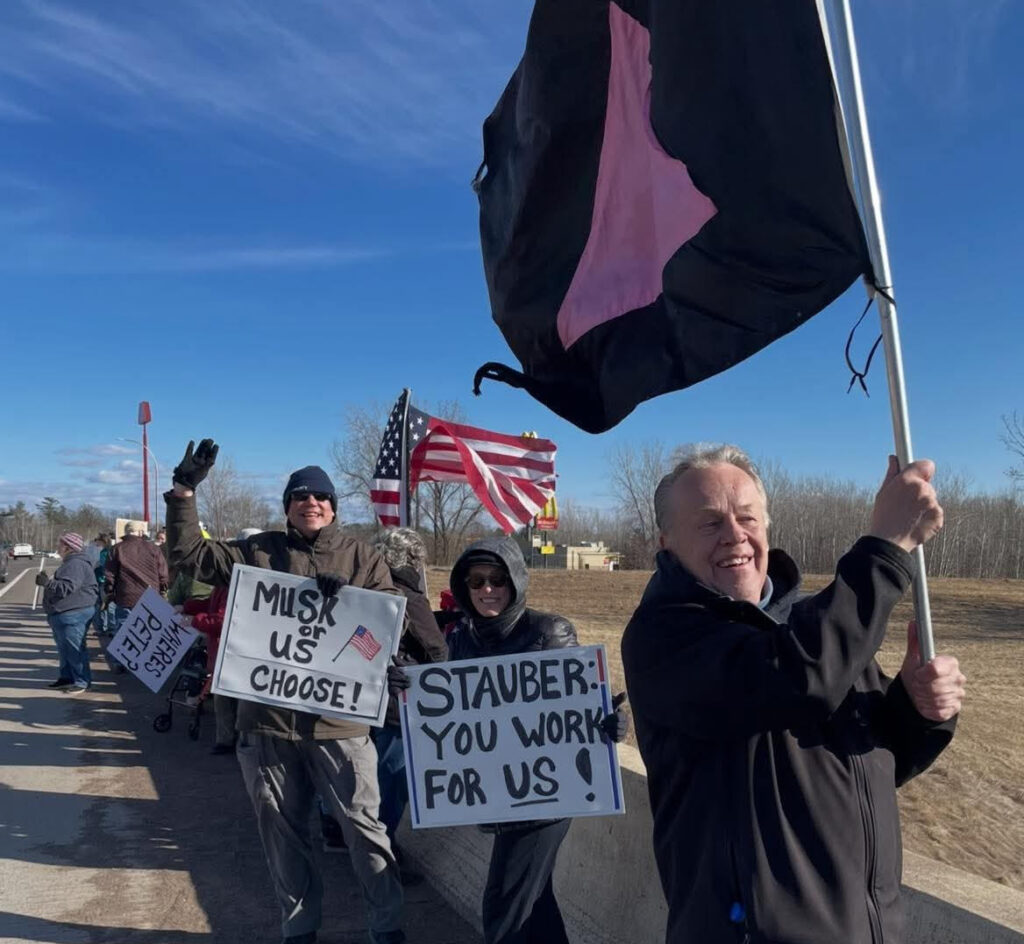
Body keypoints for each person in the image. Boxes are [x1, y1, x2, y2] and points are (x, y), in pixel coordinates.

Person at [621, 444, 966, 944]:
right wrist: (886, 548)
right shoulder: (664, 635)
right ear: (666, 542)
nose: (735, 535)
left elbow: (873, 758)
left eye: (747, 518)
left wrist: (918, 707)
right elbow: (795, 680)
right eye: (710, 523)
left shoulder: (812, 624)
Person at [164, 438, 404, 944]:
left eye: (319, 497)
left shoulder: (364, 557)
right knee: (282, 835)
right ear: (287, 507)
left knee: (365, 831)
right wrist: (184, 492)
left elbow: (383, 631)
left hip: (341, 727)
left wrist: (349, 607)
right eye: (299, 496)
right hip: (268, 724)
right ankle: (299, 931)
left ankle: (387, 929)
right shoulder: (258, 551)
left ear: (333, 507)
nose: (309, 503)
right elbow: (188, 556)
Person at [389, 536, 628, 944]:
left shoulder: (549, 630)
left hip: (549, 796)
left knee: (503, 907)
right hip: (497, 795)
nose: (486, 590)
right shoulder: (461, 640)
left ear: (515, 580)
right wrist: (407, 688)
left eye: (497, 579)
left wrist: (606, 723)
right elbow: (450, 712)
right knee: (536, 904)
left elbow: (575, 706)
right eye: (476, 580)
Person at [371, 527, 448, 872]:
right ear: (414, 558)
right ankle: (382, 854)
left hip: (367, 696)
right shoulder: (407, 594)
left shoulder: (367, 587)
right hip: (398, 703)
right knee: (394, 778)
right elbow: (437, 651)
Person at [36, 532, 99, 695]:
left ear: (68, 547)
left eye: (60, 544)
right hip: (65, 613)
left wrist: (47, 583)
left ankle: (81, 681)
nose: (58, 547)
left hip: (74, 612)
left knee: (74, 648)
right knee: (65, 649)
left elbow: (67, 588)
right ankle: (67, 678)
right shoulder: (71, 562)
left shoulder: (76, 563)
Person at [104, 521, 169, 632]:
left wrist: (110, 593)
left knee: (124, 635)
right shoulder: (154, 549)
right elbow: (163, 575)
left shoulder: (116, 549)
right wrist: (163, 591)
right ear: (140, 532)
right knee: (149, 634)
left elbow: (110, 575)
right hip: (151, 597)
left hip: (126, 597)